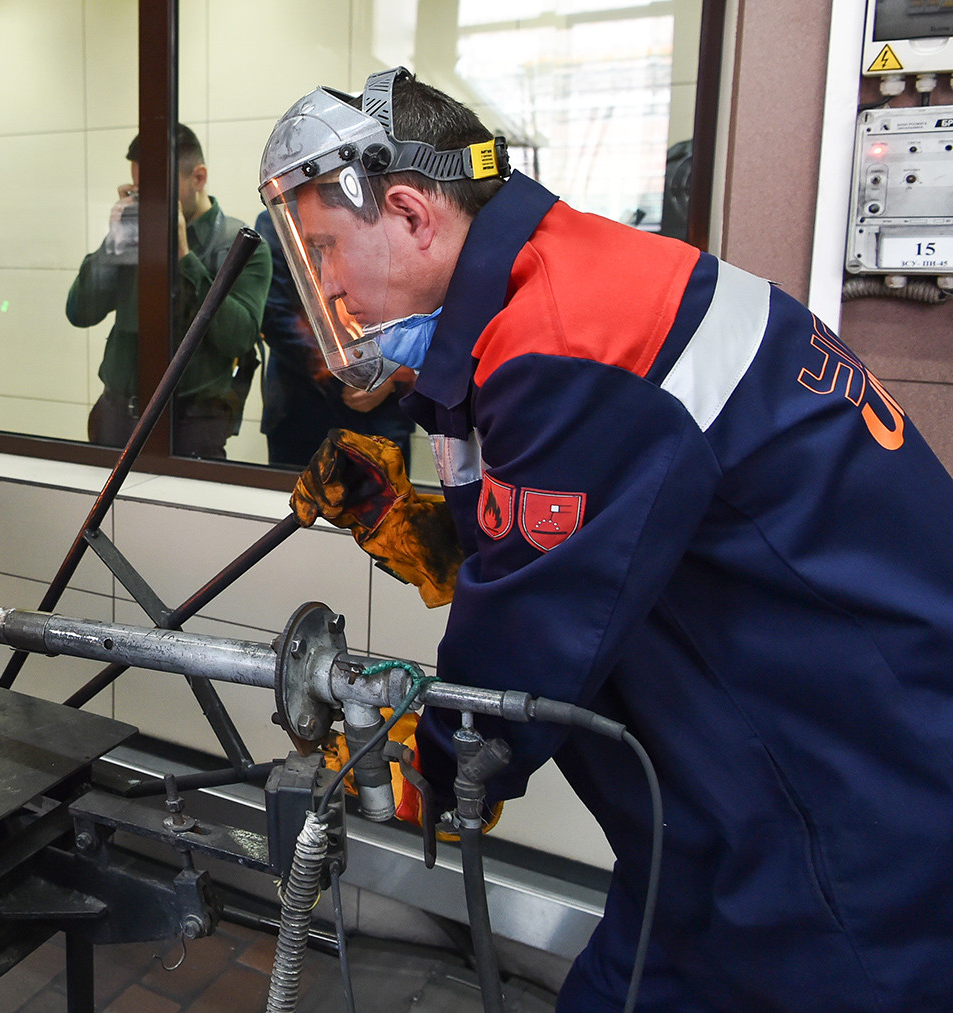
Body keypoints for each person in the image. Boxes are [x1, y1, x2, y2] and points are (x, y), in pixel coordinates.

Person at [269, 68, 953, 1010]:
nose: (326, 288)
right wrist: (406, 522)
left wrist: (429, 768)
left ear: (411, 213)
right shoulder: (544, 296)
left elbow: (530, 645)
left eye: (326, 250)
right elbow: (577, 550)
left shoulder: (566, 343)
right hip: (731, 808)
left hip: (845, 821)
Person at [66, 125, 271, 458]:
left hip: (191, 428)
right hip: (115, 417)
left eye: (157, 190)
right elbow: (79, 312)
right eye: (137, 190)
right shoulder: (133, 240)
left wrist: (183, 256)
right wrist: (113, 243)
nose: (147, 201)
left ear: (199, 178)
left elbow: (239, 337)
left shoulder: (238, 245)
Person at [252, 208, 415, 469]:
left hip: (382, 411)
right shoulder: (278, 220)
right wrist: (357, 374)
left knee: (385, 506)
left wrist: (390, 375)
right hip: (304, 406)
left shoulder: (378, 205)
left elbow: (411, 298)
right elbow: (275, 316)